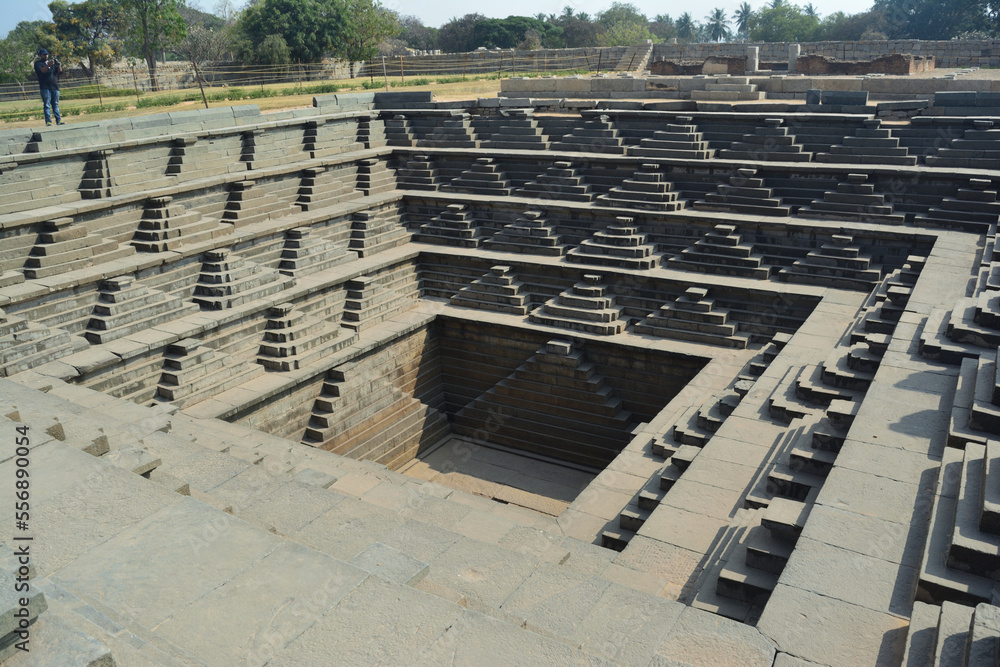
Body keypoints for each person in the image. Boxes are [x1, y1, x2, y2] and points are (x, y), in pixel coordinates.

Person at [34, 48, 63, 126]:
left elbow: (59, 72)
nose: (45, 56)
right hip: (45, 87)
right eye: (43, 54)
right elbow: (42, 71)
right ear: (40, 55)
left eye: (46, 54)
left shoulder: (53, 63)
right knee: (47, 104)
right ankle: (48, 121)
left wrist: (59, 64)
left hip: (54, 87)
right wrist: (48, 65)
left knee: (55, 104)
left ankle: (59, 120)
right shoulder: (38, 63)